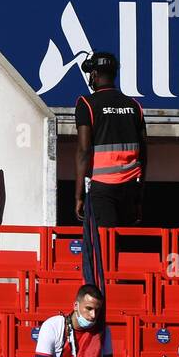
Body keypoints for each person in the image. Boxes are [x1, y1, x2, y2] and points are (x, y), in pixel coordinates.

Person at [73, 51, 147, 227]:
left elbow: (84, 151)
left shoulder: (86, 103)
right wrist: (139, 197)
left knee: (104, 244)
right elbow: (144, 153)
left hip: (102, 187)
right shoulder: (134, 105)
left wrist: (78, 195)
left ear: (95, 74)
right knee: (121, 244)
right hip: (131, 186)